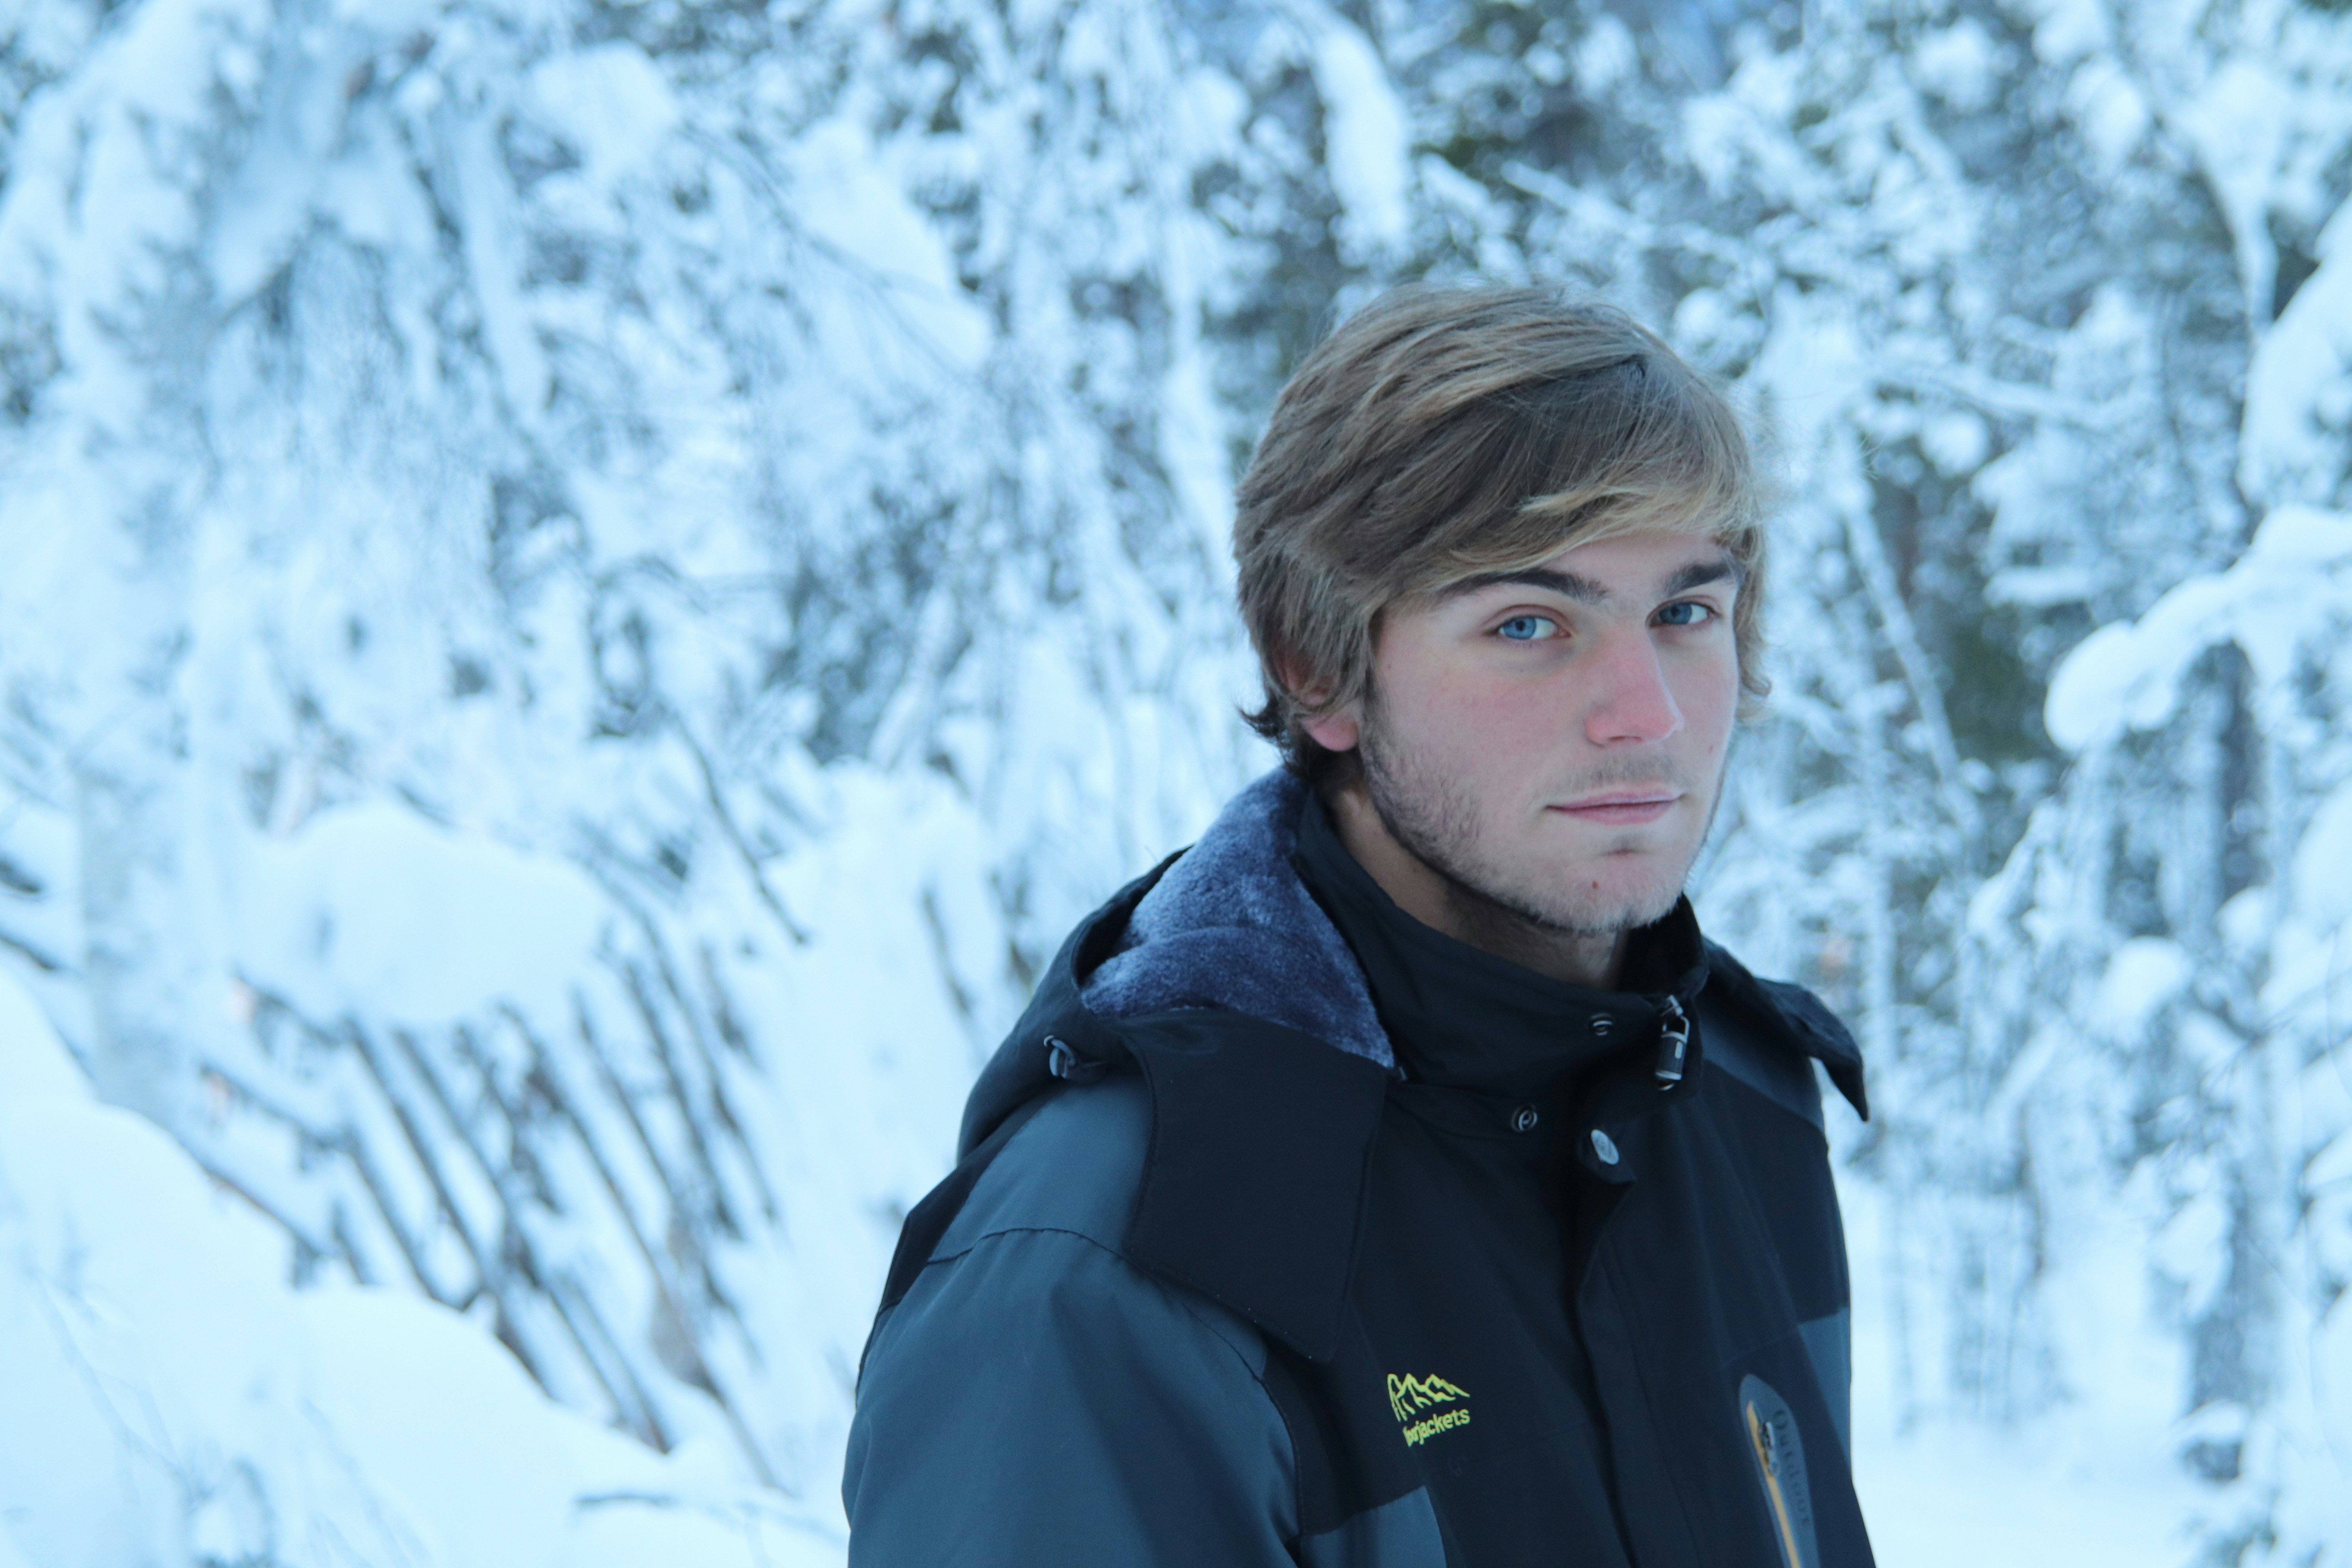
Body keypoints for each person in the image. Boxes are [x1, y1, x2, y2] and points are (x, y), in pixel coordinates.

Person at [842, 285, 1874, 1568]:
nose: (1647, 714)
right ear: (1315, 666)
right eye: (1529, 625)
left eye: (1684, 613)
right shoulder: (1114, 1271)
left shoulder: (1740, 1096)